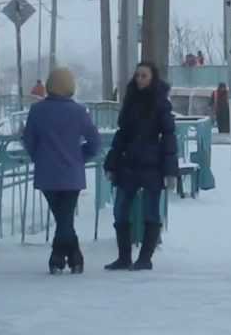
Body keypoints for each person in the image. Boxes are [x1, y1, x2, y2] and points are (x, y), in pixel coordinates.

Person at [22, 67, 100, 275]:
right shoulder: (79, 111)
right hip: (71, 174)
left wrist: (39, 157)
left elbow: (28, 140)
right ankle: (72, 257)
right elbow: (95, 142)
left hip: (46, 173)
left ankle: (61, 257)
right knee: (65, 218)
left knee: (62, 218)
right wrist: (80, 157)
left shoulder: (37, 111)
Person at [103, 62, 178, 271]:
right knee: (120, 210)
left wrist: (170, 170)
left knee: (151, 212)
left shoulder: (161, 103)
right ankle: (124, 257)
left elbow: (169, 137)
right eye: (137, 75)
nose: (139, 79)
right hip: (129, 164)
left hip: (152, 165)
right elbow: (121, 135)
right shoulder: (130, 101)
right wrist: (112, 163)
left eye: (144, 76)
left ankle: (145, 258)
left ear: (153, 78)